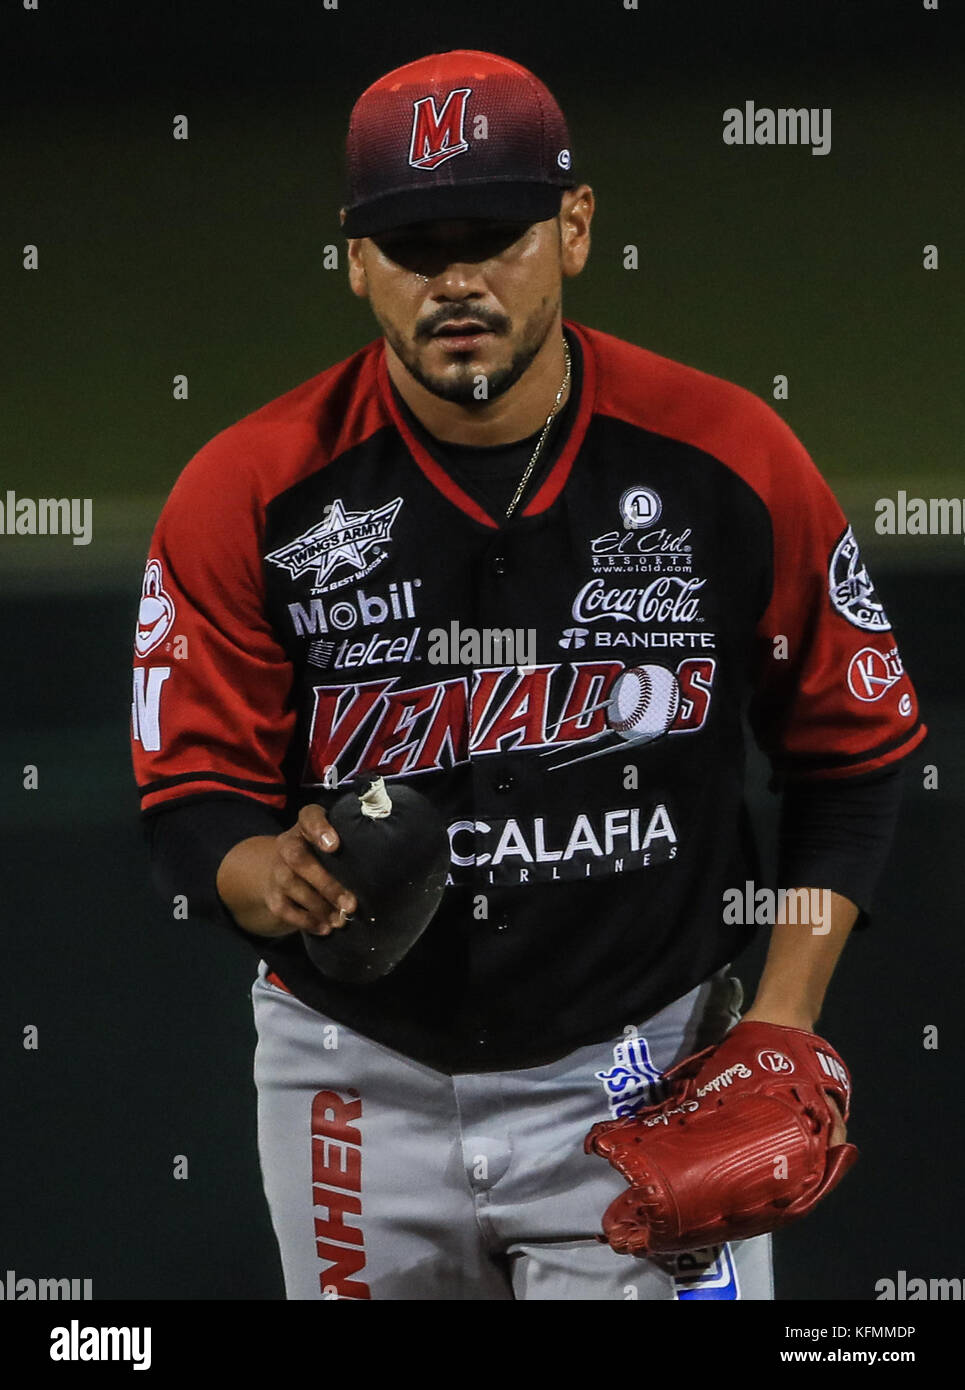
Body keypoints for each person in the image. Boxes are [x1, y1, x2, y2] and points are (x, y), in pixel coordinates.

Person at [131, 50, 926, 1301]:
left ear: (573, 227)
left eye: (493, 233)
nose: (455, 278)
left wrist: (779, 1021)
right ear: (350, 259)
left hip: (651, 1066)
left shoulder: (729, 456)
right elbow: (191, 798)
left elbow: (853, 754)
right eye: (409, 243)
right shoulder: (248, 489)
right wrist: (263, 874)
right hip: (353, 1074)